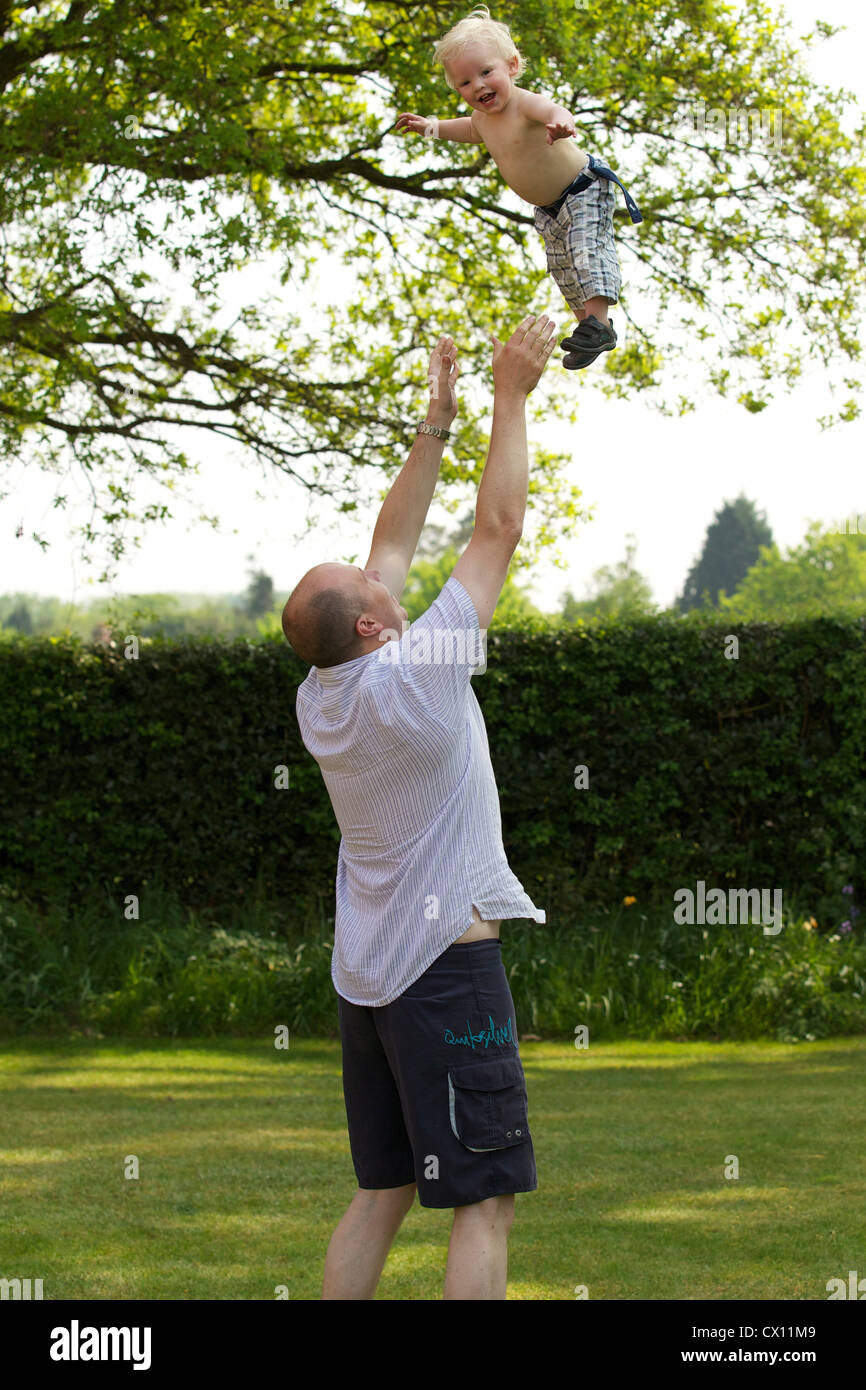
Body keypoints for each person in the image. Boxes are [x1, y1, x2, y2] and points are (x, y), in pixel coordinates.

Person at [282, 314, 556, 1299]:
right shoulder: (423, 674)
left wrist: (433, 426)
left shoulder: (326, 693)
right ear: (369, 619)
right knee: (482, 1201)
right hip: (448, 976)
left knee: (383, 1191)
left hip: (370, 982)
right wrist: (509, 396)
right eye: (367, 582)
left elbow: (392, 537)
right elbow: (498, 529)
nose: (379, 564)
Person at [396, 4, 642, 370]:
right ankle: (587, 330)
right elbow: (458, 128)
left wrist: (561, 125)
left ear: (511, 66)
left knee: (585, 248)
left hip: (583, 188)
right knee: (562, 266)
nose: (478, 85)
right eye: (465, 82)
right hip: (549, 209)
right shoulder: (481, 121)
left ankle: (599, 322)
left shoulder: (523, 104)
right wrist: (427, 127)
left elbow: (554, 109)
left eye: (485, 72)